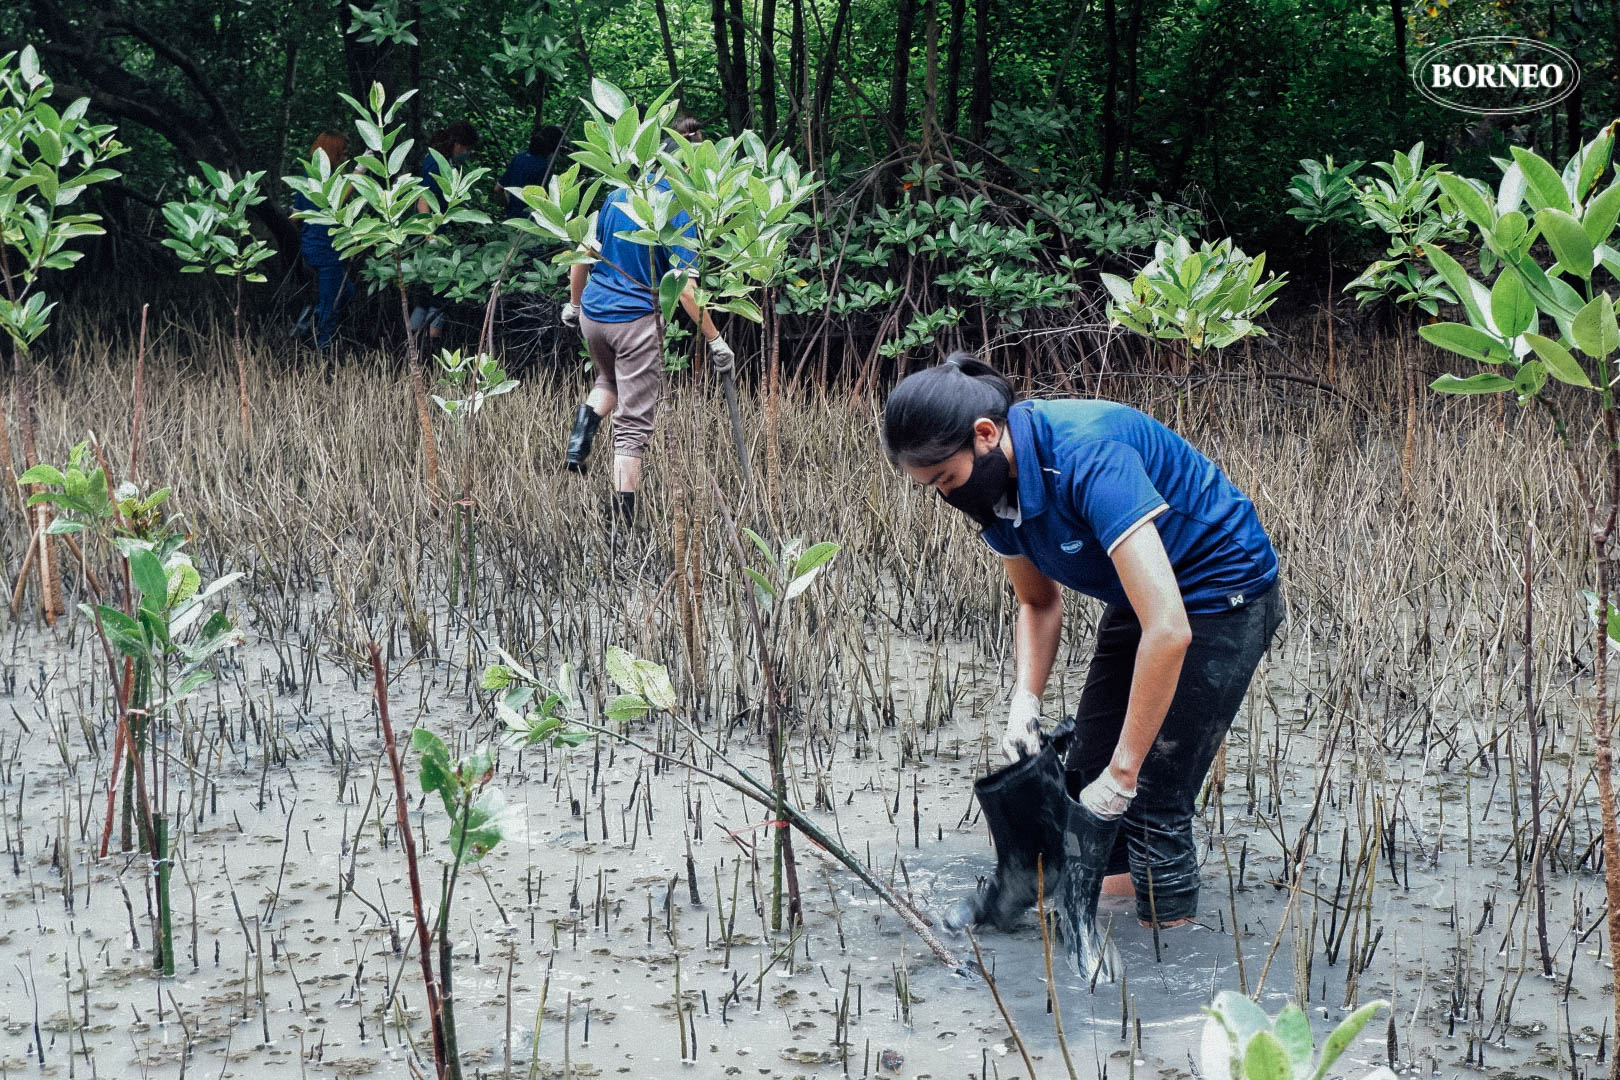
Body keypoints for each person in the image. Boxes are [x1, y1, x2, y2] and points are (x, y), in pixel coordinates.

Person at [881, 354, 1285, 942]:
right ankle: (1106, 913)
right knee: (1084, 780)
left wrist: (1124, 775)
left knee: (1147, 801)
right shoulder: (994, 494)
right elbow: (1038, 604)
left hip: (1222, 594)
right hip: (1142, 595)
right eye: (930, 487)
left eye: (944, 478)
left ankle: (1165, 971)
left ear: (986, 435)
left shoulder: (1087, 455)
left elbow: (1169, 628)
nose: (945, 496)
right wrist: (1026, 698)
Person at [559, 116, 734, 526]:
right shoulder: (679, 210)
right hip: (635, 322)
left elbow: (582, 256)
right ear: (685, 165)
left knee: (607, 383)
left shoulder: (617, 195)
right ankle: (622, 523)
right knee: (634, 427)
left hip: (595, 316)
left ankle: (579, 437)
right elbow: (686, 290)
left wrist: (575, 304)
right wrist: (714, 340)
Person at [410, 119, 481, 344]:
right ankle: (428, 342)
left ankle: (422, 340)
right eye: (468, 149)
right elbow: (423, 199)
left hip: (442, 233)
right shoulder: (435, 162)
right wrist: (428, 234)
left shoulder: (445, 161)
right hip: (432, 236)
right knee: (435, 293)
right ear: (459, 144)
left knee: (431, 292)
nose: (468, 154)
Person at [293, 131, 356, 349]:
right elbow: (337, 202)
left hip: (314, 247)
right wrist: (360, 173)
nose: (346, 154)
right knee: (332, 306)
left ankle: (310, 319)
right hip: (326, 251)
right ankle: (323, 354)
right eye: (343, 150)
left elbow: (295, 213)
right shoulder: (323, 178)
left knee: (346, 292)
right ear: (333, 151)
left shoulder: (306, 176)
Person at [496, 124, 564, 220]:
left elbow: (498, 189)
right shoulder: (544, 168)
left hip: (512, 219)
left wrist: (509, 209)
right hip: (531, 222)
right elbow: (547, 202)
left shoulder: (518, 158)